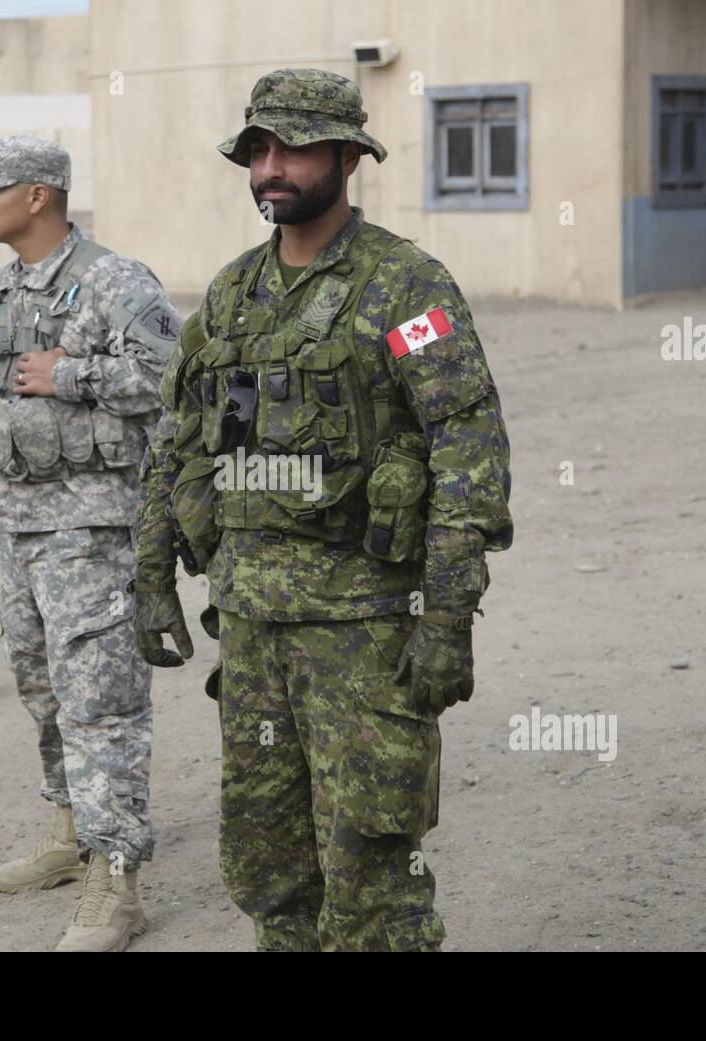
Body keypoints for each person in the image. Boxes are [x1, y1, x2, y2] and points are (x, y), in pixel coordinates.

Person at [132, 69, 514, 951]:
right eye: (258, 150)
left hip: (368, 632)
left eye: (293, 147)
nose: (272, 168)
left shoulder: (405, 289)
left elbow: (465, 442)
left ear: (348, 155)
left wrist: (449, 613)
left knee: (372, 875)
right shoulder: (231, 295)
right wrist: (151, 574)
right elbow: (185, 437)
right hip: (254, 627)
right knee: (271, 870)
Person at [0, 136, 179, 951]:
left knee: (100, 703)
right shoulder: (6, 285)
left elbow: (173, 377)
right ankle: (69, 832)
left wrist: (72, 375)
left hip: (91, 532)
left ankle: (116, 879)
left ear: (40, 195)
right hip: (17, 524)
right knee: (42, 687)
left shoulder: (115, 280)